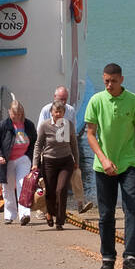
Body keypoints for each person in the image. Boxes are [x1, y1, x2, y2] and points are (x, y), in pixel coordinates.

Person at [85, 63, 135, 269]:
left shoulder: (134, 100)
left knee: (132, 209)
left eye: (113, 81)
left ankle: (130, 258)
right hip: (103, 166)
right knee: (106, 214)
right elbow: (91, 135)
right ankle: (108, 258)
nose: (109, 85)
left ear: (121, 79)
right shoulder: (96, 101)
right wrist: (103, 159)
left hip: (129, 162)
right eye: (106, 81)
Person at [37, 85, 95, 215]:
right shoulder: (46, 110)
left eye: (65, 99)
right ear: (54, 97)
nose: (63, 102)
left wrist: (74, 157)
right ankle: (43, 209)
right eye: (61, 99)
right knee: (47, 181)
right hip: (49, 150)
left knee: (76, 173)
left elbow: (72, 134)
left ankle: (80, 203)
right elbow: (40, 134)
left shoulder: (70, 110)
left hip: (65, 150)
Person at [32, 92, 77, 229]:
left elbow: (74, 143)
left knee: (61, 189)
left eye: (61, 112)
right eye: (56, 112)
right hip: (49, 161)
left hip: (65, 161)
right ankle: (50, 214)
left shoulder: (68, 124)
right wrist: (35, 163)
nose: (58, 114)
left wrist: (76, 161)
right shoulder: (45, 126)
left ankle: (60, 221)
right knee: (50, 191)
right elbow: (38, 144)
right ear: (51, 112)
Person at [0, 99, 37, 225]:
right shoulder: (3, 125)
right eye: (14, 114)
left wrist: (32, 158)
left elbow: (34, 142)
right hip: (7, 160)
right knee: (8, 187)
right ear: (9, 112)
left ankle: (24, 214)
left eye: (19, 114)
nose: (17, 117)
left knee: (23, 185)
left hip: (23, 158)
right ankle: (10, 214)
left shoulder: (29, 125)